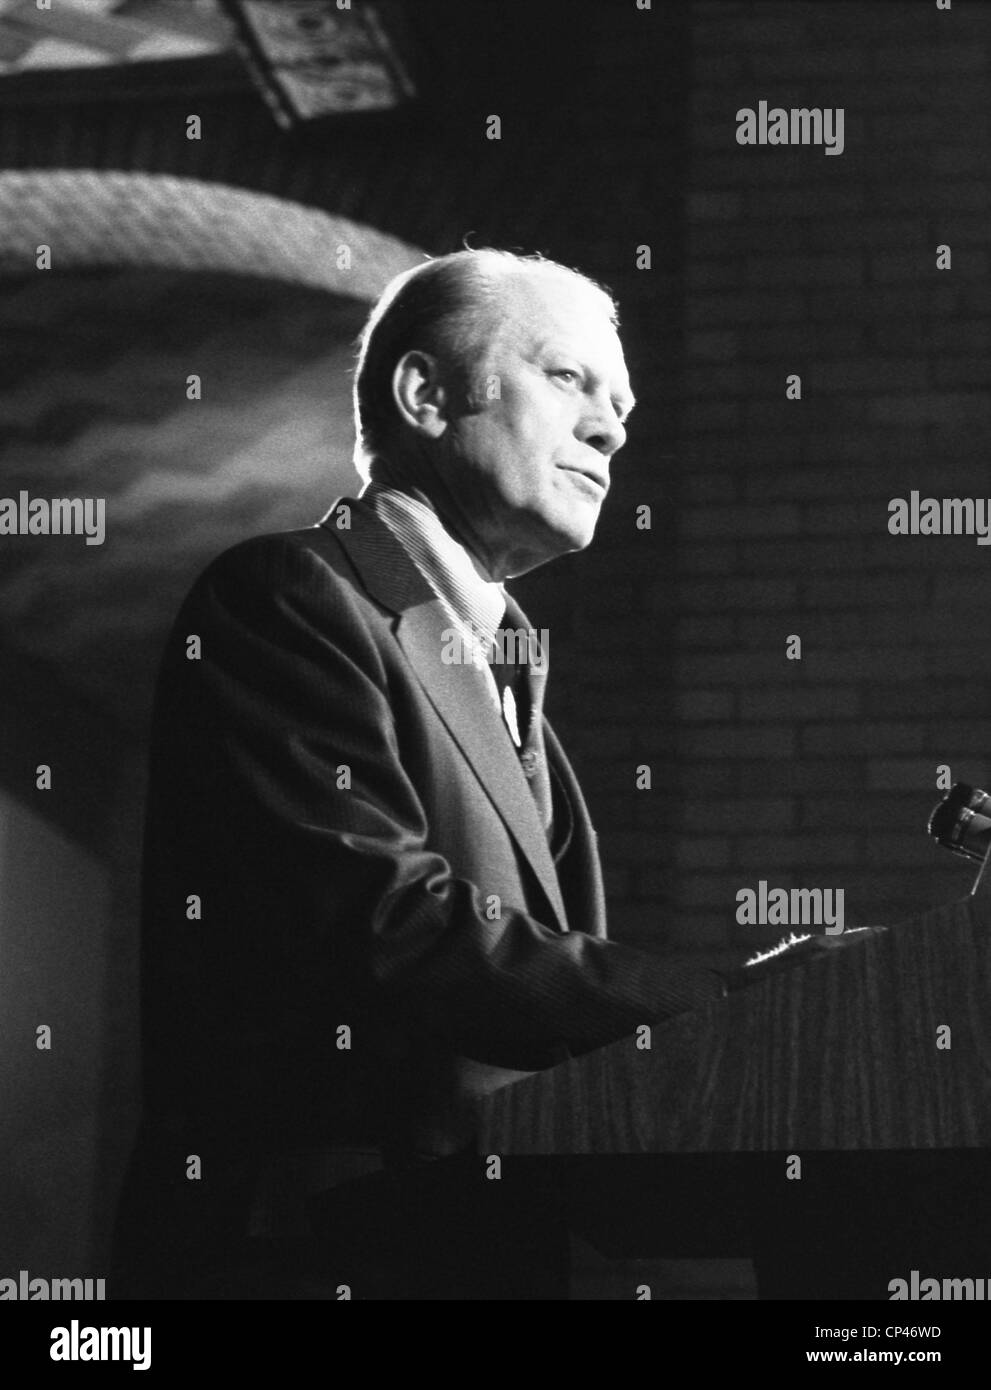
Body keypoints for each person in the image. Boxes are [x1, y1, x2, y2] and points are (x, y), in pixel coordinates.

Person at [113, 248, 728, 1300]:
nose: (612, 427)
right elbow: (382, 924)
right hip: (306, 1256)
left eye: (621, 404)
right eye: (569, 379)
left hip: (472, 1255)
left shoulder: (517, 680)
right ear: (425, 394)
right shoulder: (289, 599)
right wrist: (724, 1004)